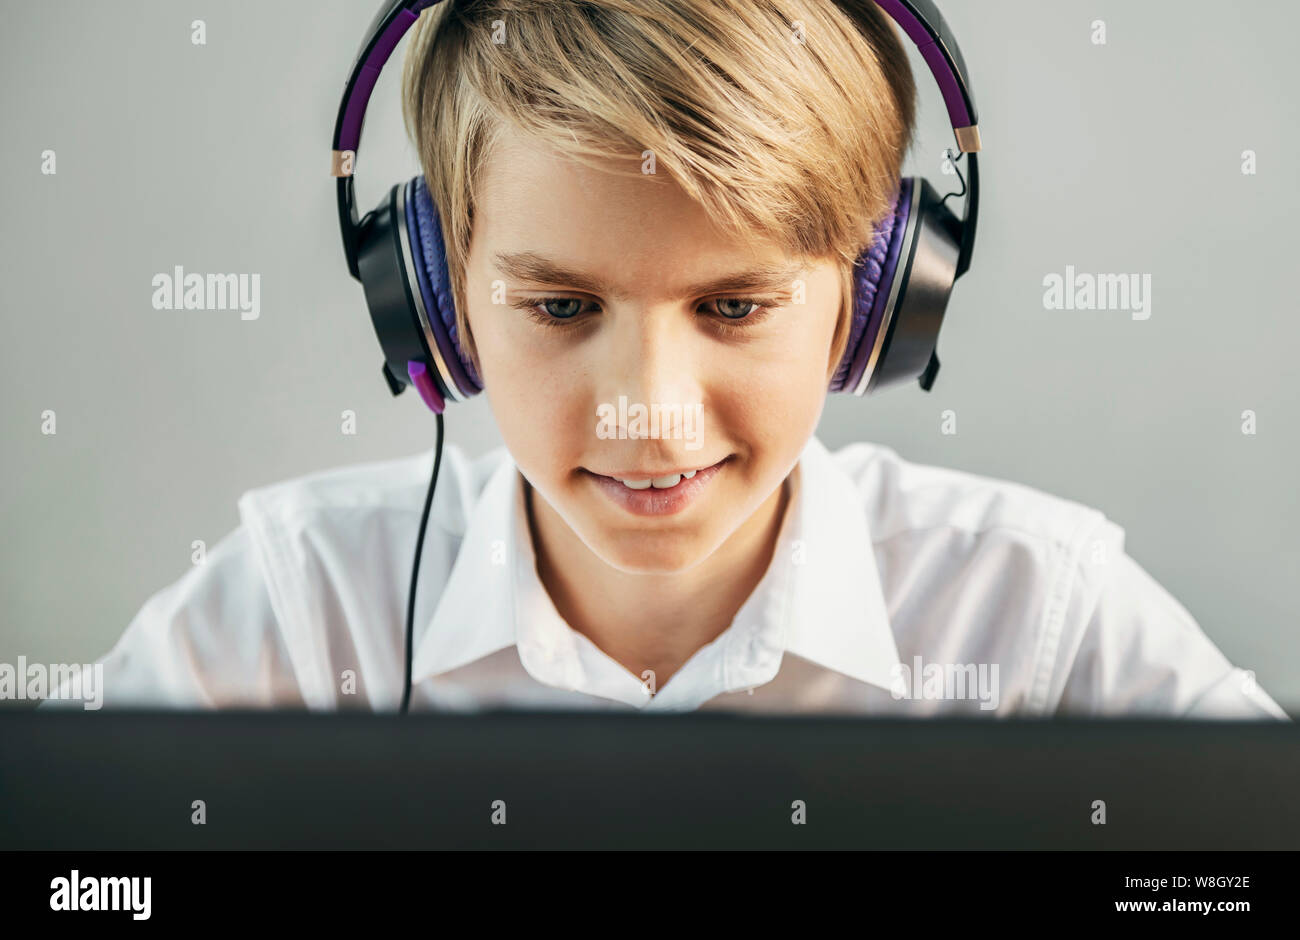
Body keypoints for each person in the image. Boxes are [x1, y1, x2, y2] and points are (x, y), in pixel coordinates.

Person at [43, 0, 1286, 718]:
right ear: (436, 297)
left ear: (874, 298)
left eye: (736, 306)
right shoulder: (295, 615)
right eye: (563, 306)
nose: (648, 415)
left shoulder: (1038, 620)